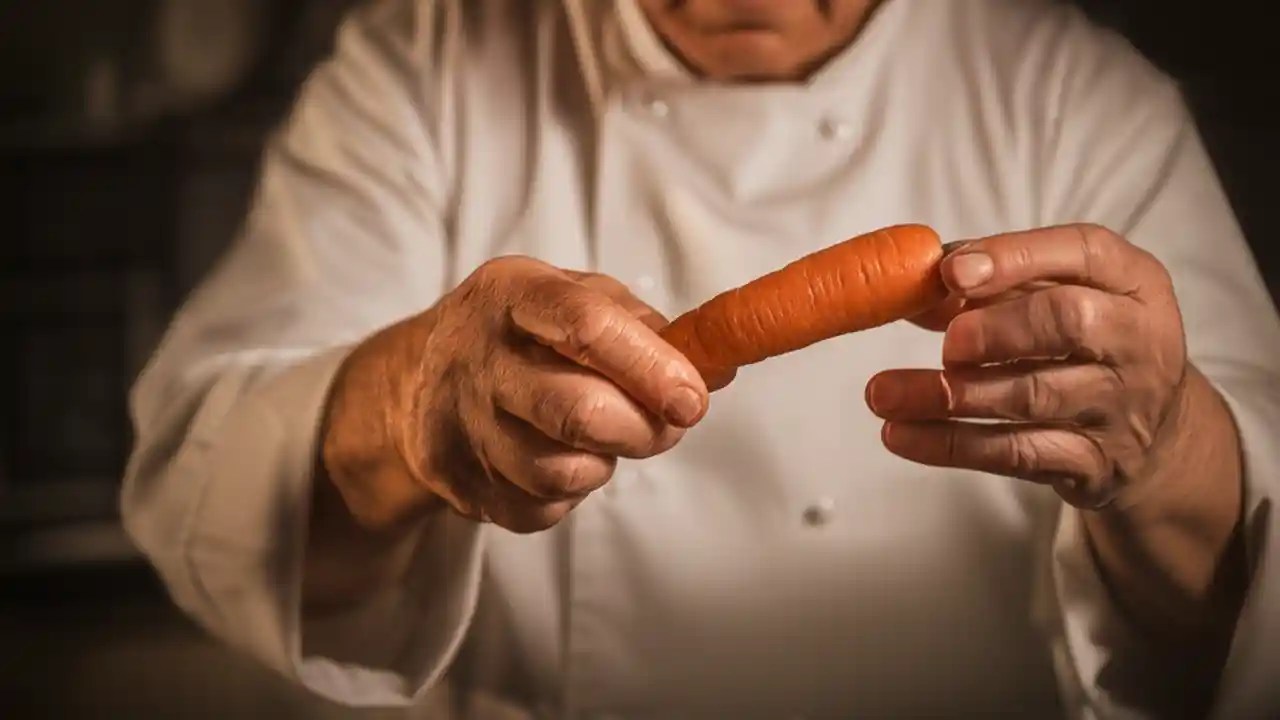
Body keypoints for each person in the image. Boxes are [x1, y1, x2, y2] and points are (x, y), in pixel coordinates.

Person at [120, 0, 1280, 717]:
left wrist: (1164, 448)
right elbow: (202, 490)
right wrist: (408, 401)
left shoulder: (1073, 91)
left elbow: (1247, 617)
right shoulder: (423, 58)